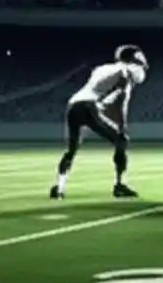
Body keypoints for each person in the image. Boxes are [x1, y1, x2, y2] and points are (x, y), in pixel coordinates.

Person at [51, 44, 149, 200]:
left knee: (71, 150)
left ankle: (59, 187)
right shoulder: (127, 72)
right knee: (121, 140)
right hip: (90, 106)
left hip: (74, 104)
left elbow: (100, 90)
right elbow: (122, 101)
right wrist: (122, 126)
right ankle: (119, 185)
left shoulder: (103, 68)